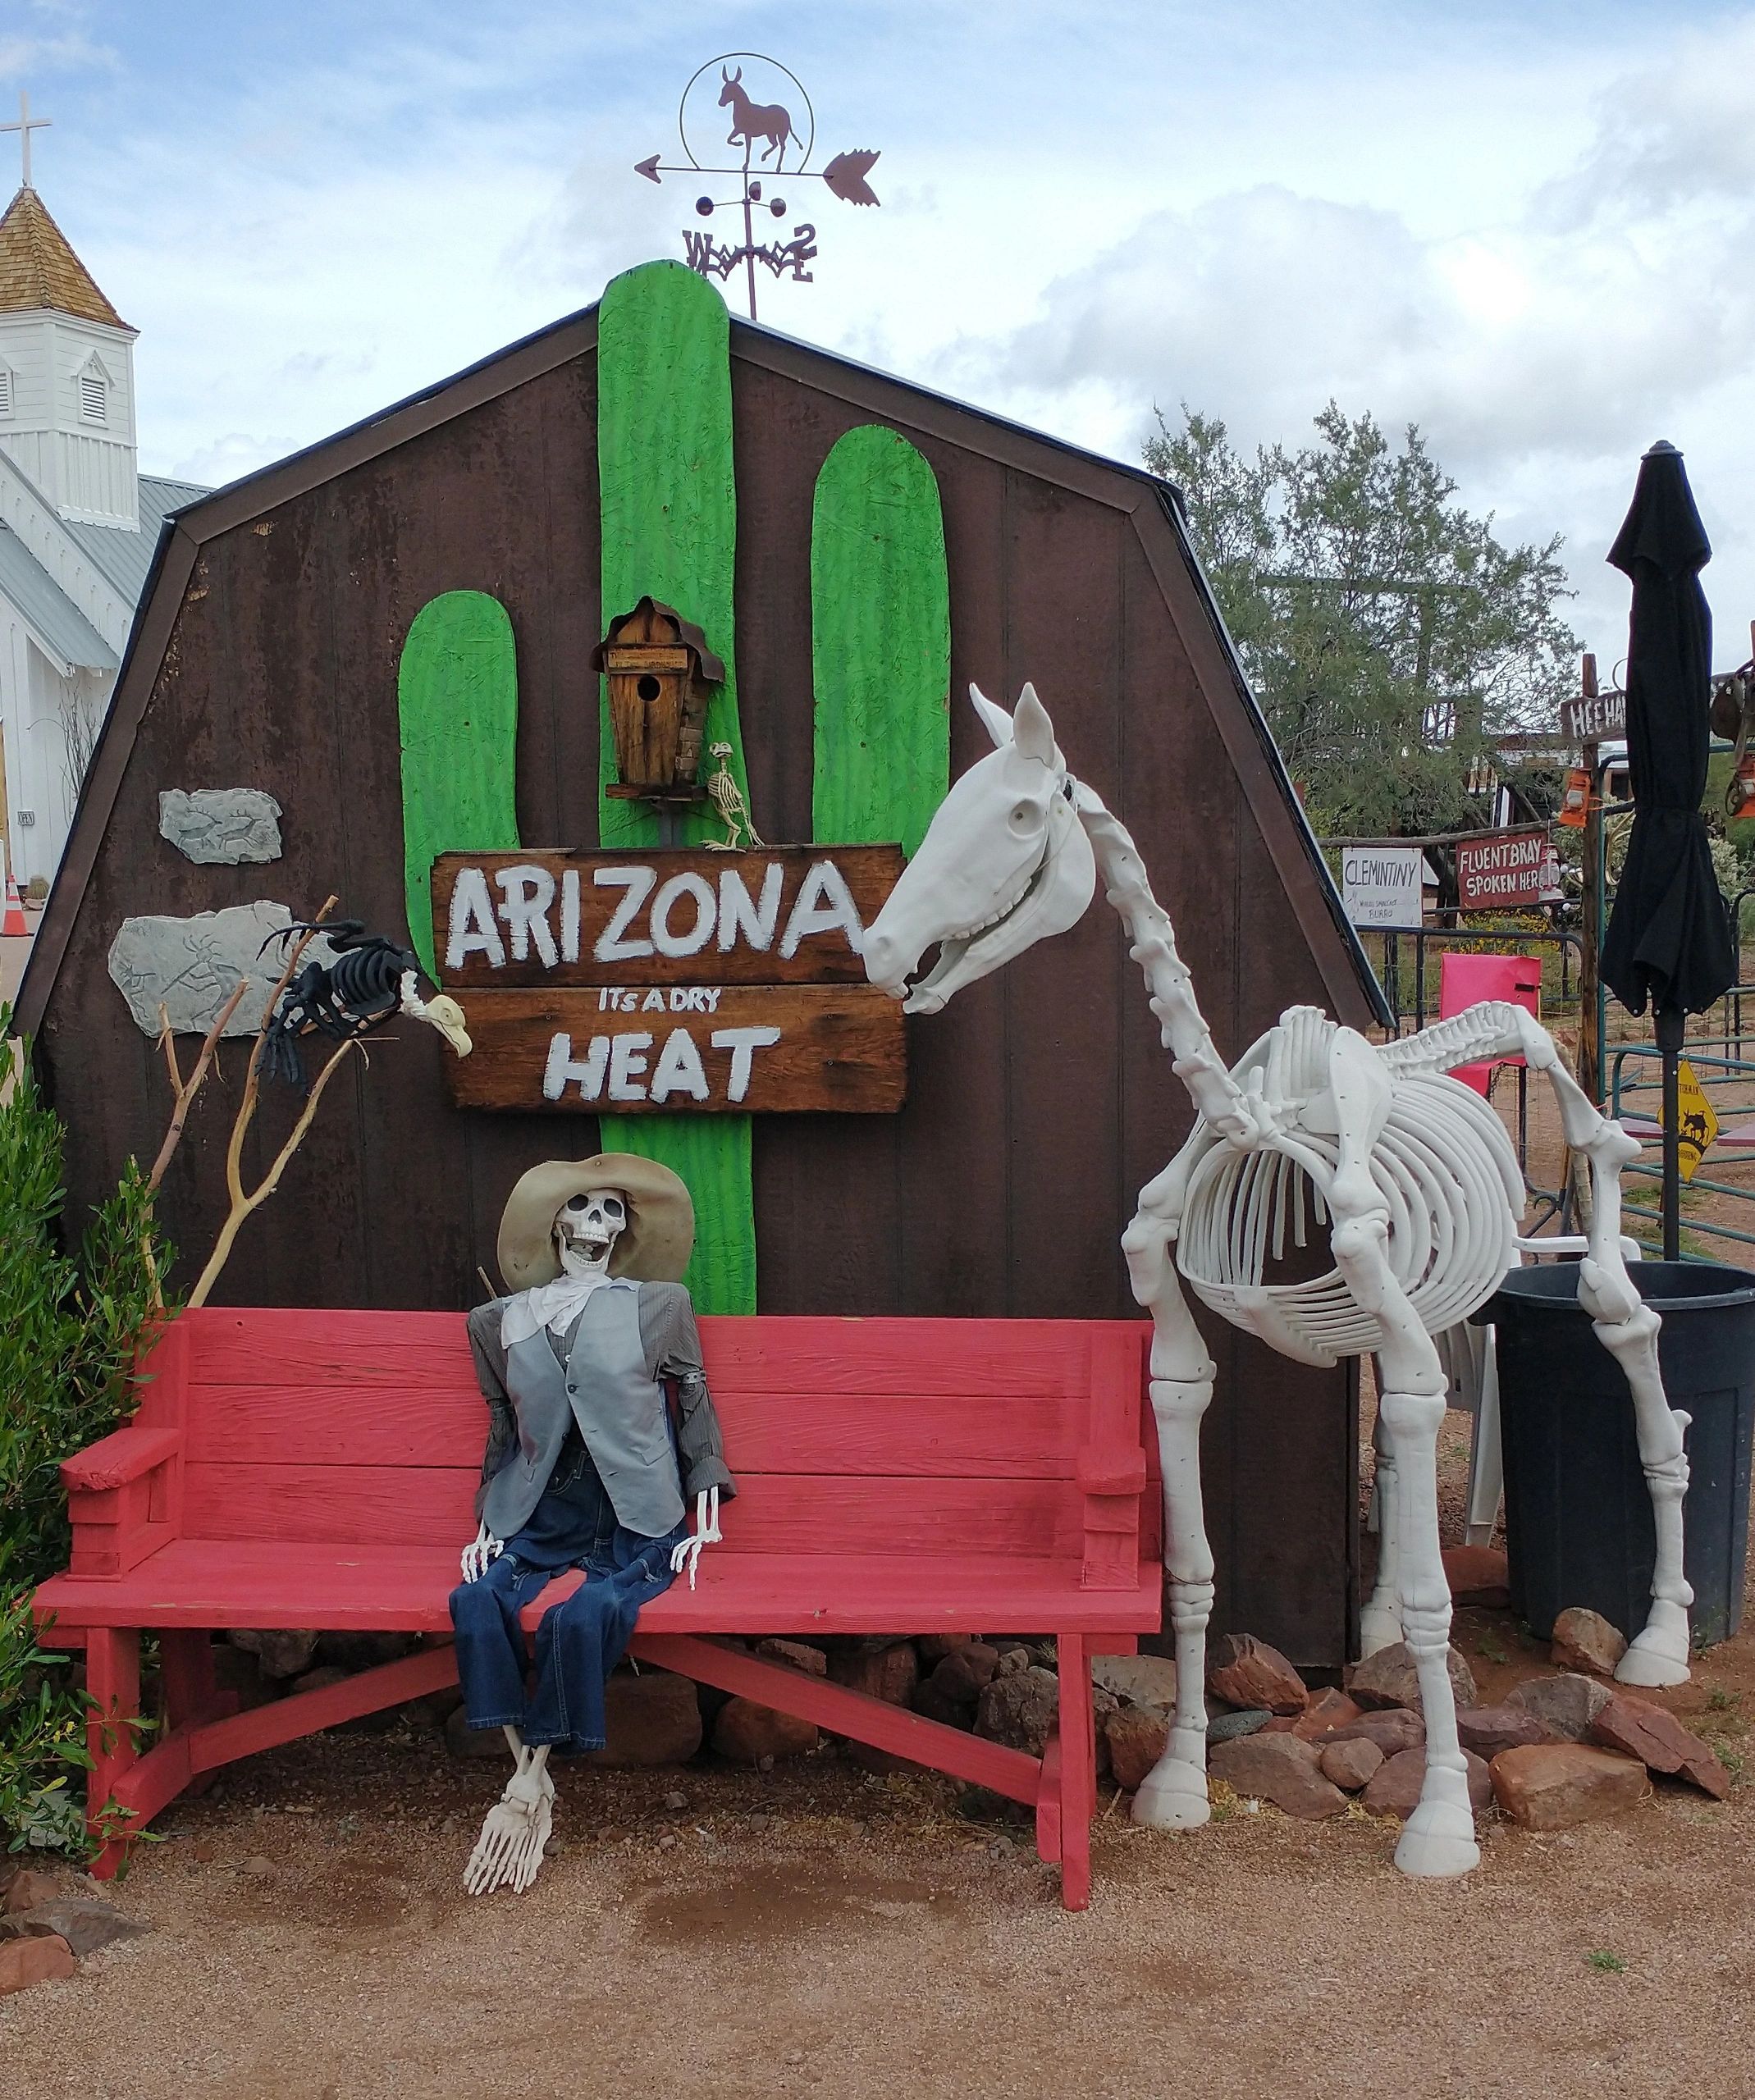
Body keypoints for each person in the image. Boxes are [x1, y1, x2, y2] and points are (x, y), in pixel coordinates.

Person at [448, 1153, 734, 1893]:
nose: (596, 1225)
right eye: (582, 1208)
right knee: (475, 1599)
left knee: (587, 1610)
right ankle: (525, 1771)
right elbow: (504, 1424)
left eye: (611, 1212)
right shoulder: (496, 1321)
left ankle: (528, 1780)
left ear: (624, 1232)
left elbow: (692, 1396)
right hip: (546, 1504)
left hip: (636, 1503)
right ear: (555, 1225)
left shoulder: (658, 1305)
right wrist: (489, 1514)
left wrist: (705, 1489)